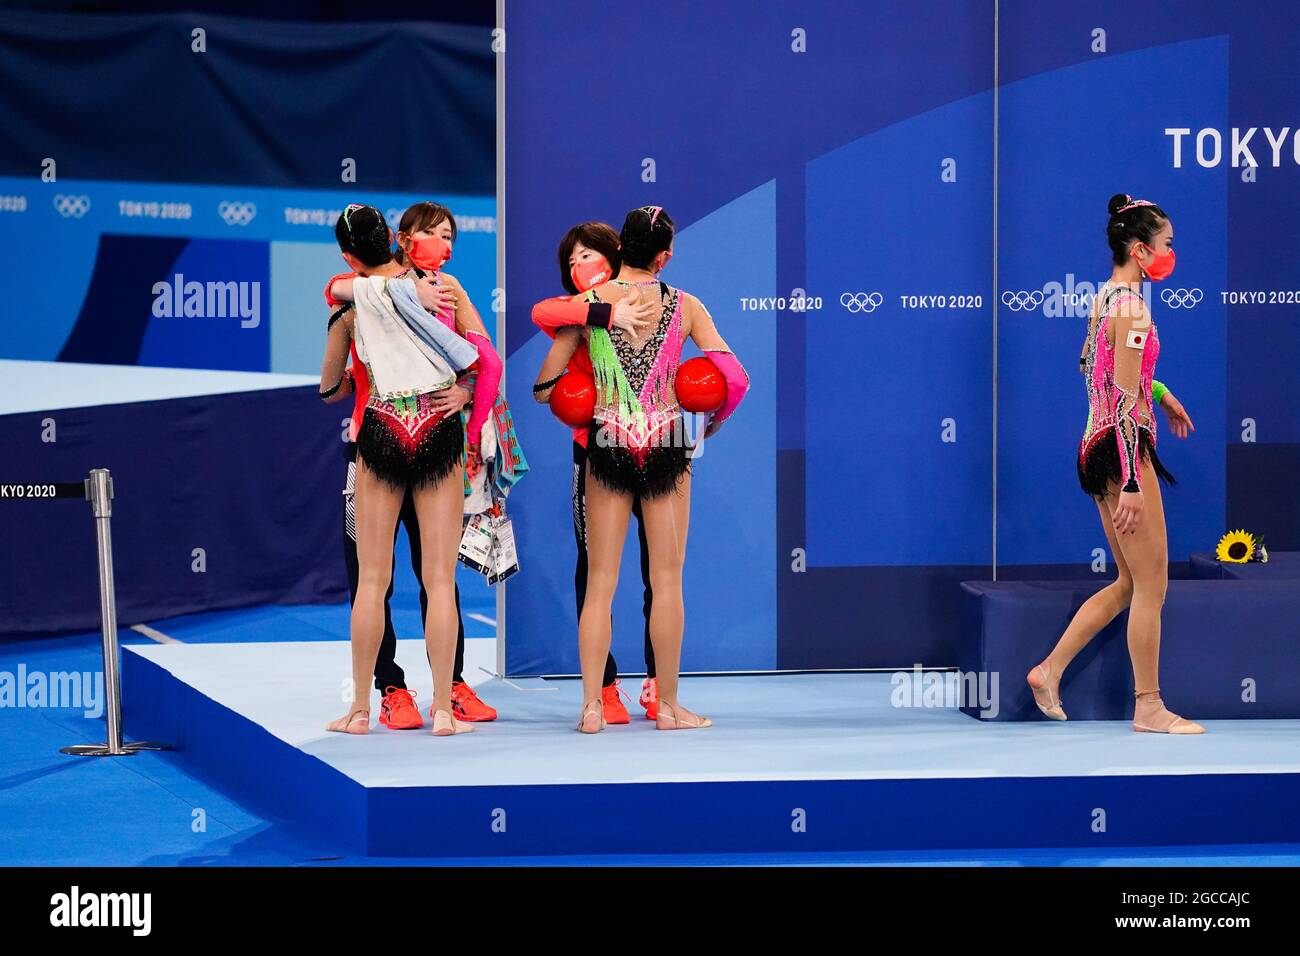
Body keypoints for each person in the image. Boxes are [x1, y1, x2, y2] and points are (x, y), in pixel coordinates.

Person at [533, 206, 750, 732]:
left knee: (601, 582)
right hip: (668, 439)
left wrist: (580, 397)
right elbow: (734, 378)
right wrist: (712, 421)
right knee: (668, 579)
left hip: (607, 438)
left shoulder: (590, 304)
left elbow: (543, 388)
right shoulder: (686, 304)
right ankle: (669, 707)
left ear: (619, 251)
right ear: (665, 255)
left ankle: (591, 707)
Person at [319, 203, 501, 736]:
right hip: (436, 428)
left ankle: (359, 711)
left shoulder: (350, 296)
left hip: (381, 425)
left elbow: (330, 387)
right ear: (398, 240)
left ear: (350, 253)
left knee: (372, 582)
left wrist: (342, 343)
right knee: (439, 581)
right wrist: (468, 418)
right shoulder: (440, 289)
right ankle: (444, 708)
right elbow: (486, 364)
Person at [1027, 193, 1204, 734]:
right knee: (1153, 587)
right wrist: (1130, 479)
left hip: (1096, 443)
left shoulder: (1107, 299)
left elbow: (1100, 371)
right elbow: (1125, 397)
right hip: (1120, 452)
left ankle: (1048, 670)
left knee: (1129, 582)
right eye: (1167, 245)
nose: (1172, 253)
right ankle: (1148, 706)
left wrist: (1164, 391)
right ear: (1140, 249)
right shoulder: (1133, 309)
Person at [531, 222, 661, 720]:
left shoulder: (658, 305)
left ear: (614, 254)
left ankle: (657, 681)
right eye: (570, 260)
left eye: (586, 255)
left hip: (653, 451)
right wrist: (601, 313)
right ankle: (602, 688)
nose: (577, 266)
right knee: (595, 569)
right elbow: (543, 387)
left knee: (658, 571)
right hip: (594, 452)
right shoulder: (581, 317)